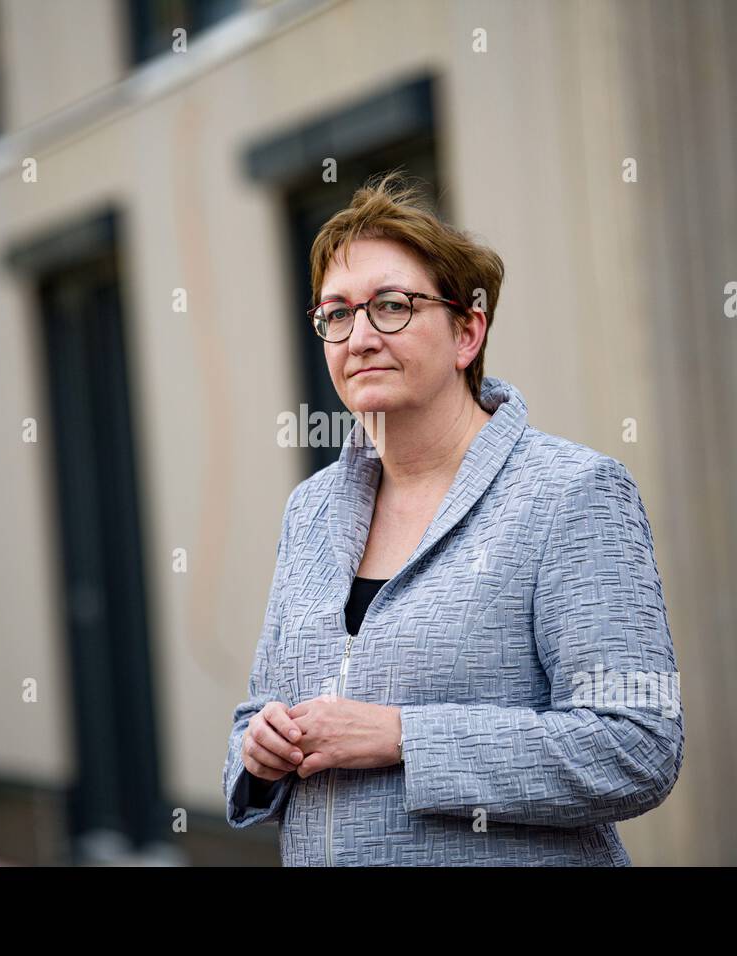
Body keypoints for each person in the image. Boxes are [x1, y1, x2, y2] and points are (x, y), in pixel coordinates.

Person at [221, 171, 683, 865]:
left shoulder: (570, 493)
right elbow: (258, 712)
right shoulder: (309, 511)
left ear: (467, 331)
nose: (360, 336)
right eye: (337, 314)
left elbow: (637, 745)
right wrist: (257, 749)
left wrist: (403, 737)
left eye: (392, 306)